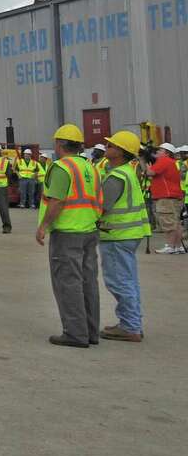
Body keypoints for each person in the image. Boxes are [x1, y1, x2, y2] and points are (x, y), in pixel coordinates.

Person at [35, 124, 102, 348]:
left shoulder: (61, 168)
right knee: (88, 282)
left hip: (67, 232)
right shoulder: (89, 167)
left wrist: (44, 225)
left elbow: (57, 201)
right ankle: (90, 332)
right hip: (89, 230)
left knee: (68, 283)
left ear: (60, 144)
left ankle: (75, 333)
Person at [97, 131, 150, 342]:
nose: (106, 147)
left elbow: (102, 206)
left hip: (117, 234)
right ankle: (132, 323)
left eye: (110, 145)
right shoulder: (127, 171)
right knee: (129, 280)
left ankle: (130, 327)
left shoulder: (116, 176)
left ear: (121, 152)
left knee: (119, 281)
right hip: (128, 234)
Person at [148, 142, 184, 254]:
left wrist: (147, 165)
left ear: (166, 153)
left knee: (168, 222)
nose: (157, 152)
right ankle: (178, 247)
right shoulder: (172, 162)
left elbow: (150, 172)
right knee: (175, 223)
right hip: (174, 196)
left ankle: (170, 246)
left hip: (165, 197)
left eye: (160, 150)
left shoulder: (164, 160)